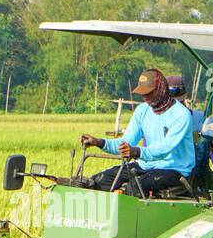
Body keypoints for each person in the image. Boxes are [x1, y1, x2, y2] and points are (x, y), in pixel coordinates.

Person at [79, 68, 194, 196]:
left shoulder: (181, 115)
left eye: (149, 93)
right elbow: (125, 142)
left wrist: (136, 151)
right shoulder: (142, 111)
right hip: (145, 166)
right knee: (99, 180)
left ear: (161, 89)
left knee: (134, 186)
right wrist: (98, 142)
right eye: (143, 94)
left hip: (174, 169)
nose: (145, 98)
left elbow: (164, 149)